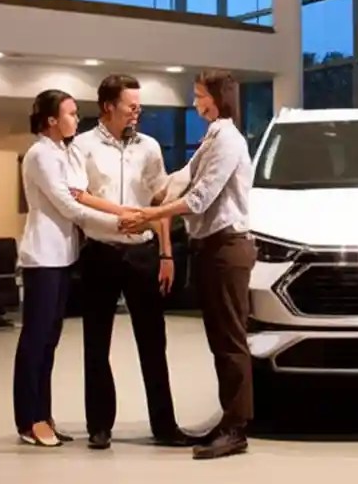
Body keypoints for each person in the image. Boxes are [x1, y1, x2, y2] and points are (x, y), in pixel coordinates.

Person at [119, 69, 254, 460]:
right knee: (218, 340)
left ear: (217, 97)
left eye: (199, 96)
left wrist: (147, 215)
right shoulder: (214, 135)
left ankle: (236, 429)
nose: (195, 103)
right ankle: (229, 418)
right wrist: (156, 188)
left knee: (230, 342)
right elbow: (185, 177)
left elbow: (200, 199)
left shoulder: (227, 139)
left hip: (227, 247)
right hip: (210, 248)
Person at [67, 74, 194, 450]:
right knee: (96, 343)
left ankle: (165, 426)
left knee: (154, 343)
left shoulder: (150, 147)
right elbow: (78, 195)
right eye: (131, 105)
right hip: (100, 252)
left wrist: (166, 252)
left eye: (139, 104)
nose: (137, 110)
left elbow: (160, 203)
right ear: (108, 106)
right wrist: (118, 214)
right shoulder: (83, 146)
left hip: (142, 252)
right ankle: (99, 427)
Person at [14, 89, 125, 447]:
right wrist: (122, 221)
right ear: (51, 120)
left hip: (63, 256)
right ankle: (29, 419)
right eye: (71, 113)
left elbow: (80, 192)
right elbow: (69, 205)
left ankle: (43, 415)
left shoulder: (64, 151)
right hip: (43, 257)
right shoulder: (39, 154)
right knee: (35, 341)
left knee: (50, 342)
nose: (77, 119)